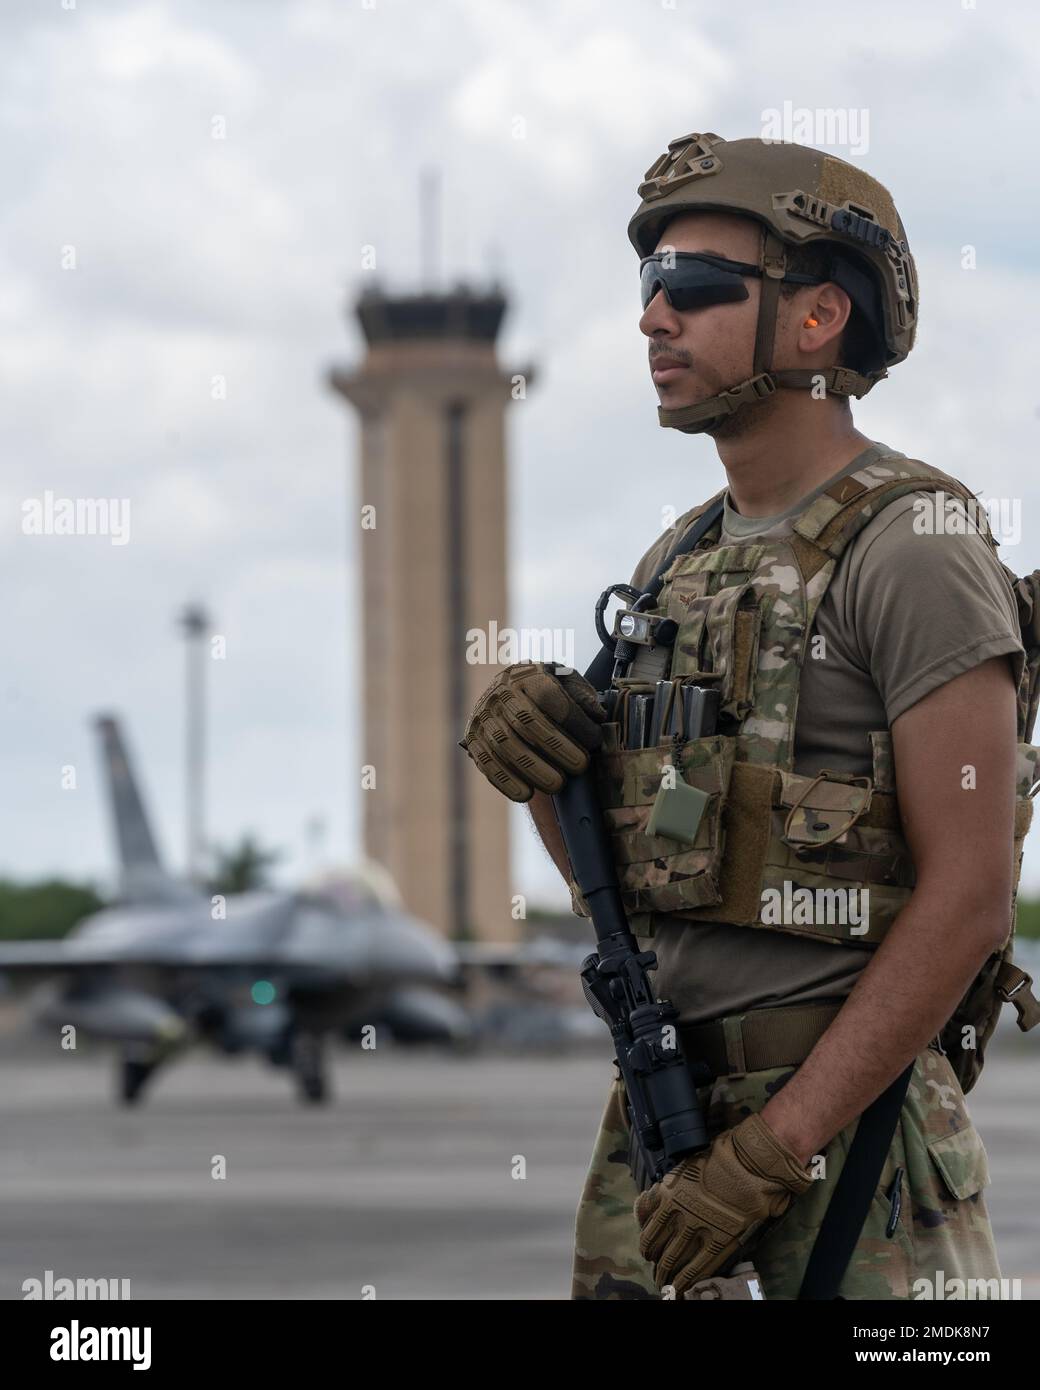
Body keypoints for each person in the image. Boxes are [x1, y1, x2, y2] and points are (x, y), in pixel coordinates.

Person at [461, 132, 1038, 1300]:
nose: (651, 320)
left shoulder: (912, 548)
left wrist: (775, 1153)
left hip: (849, 1146)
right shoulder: (678, 562)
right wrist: (541, 766)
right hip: (668, 1122)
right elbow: (628, 889)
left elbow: (970, 897)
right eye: (646, 288)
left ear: (817, 319)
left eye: (692, 286)